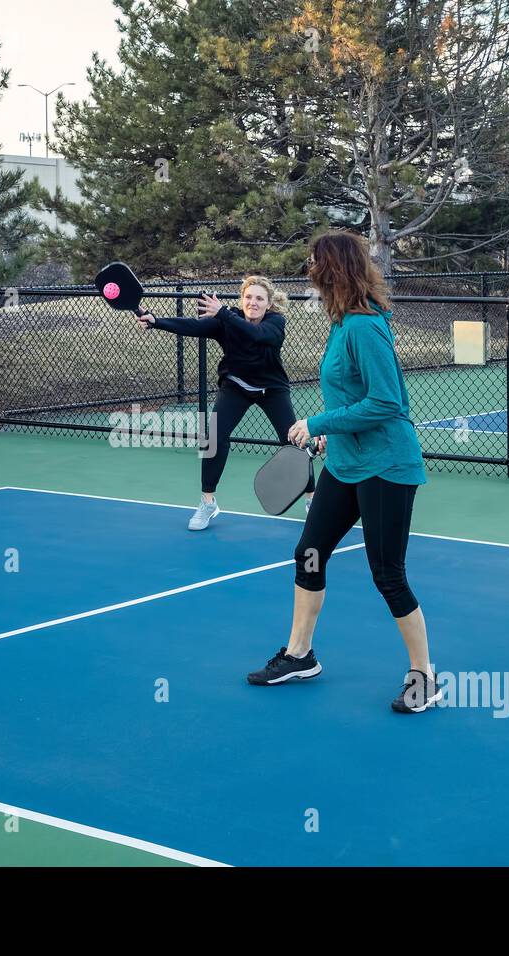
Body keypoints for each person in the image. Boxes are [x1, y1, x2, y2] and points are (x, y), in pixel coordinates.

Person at [245, 230, 440, 714]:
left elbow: (388, 403)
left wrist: (318, 422)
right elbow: (358, 397)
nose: (309, 270)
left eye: (315, 262)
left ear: (334, 269)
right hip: (347, 463)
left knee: (387, 574)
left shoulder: (364, 326)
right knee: (309, 553)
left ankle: (425, 677)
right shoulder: (340, 324)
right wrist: (334, 432)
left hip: (387, 466)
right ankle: (299, 655)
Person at [137, 276, 314, 530]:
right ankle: (207, 502)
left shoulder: (276, 323)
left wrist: (222, 313)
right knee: (213, 438)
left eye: (259, 298)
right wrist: (156, 321)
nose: (253, 302)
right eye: (249, 297)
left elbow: (256, 335)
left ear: (268, 304)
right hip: (236, 387)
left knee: (293, 442)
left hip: (272, 389)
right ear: (242, 300)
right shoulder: (228, 320)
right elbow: (194, 327)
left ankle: (311, 499)